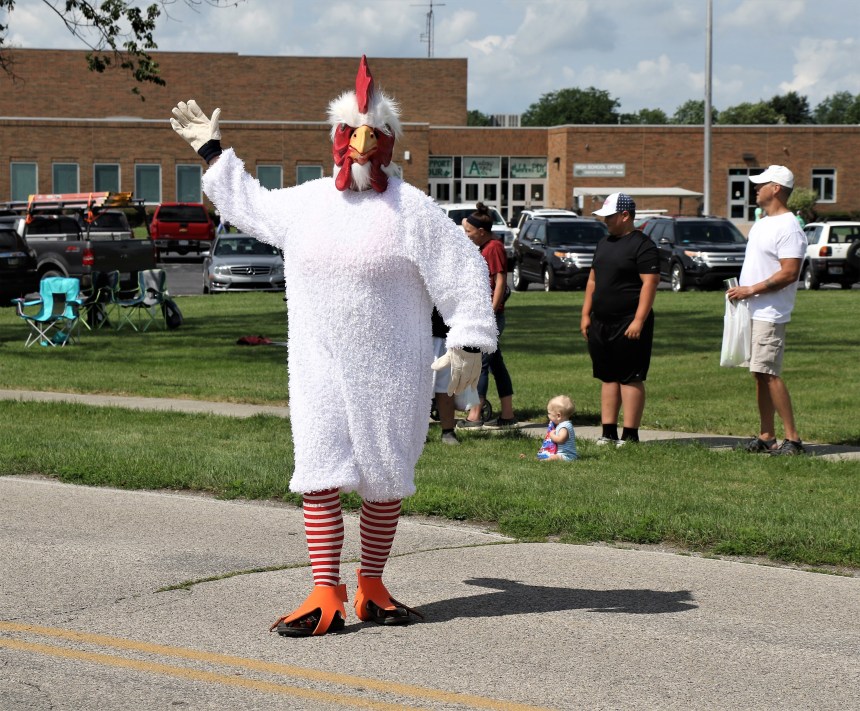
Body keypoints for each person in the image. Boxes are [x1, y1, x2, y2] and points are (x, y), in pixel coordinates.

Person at [170, 56, 497, 636]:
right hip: (319, 367)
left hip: (392, 368)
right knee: (319, 472)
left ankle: (371, 584)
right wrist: (213, 153)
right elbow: (248, 203)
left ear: (390, 142)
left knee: (385, 475)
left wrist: (469, 338)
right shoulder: (307, 204)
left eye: (373, 134)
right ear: (337, 139)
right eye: (351, 133)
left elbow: (461, 269)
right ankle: (325, 589)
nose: (362, 145)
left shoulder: (413, 212)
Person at [726, 165, 807, 456]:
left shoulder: (789, 226)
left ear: (776, 188)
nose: (755, 188)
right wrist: (741, 291)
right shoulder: (761, 223)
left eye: (761, 184)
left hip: (770, 312)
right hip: (752, 309)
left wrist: (750, 289)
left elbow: (789, 273)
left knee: (769, 372)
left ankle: (793, 439)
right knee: (759, 373)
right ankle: (766, 436)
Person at [581, 193, 660, 447]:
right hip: (601, 321)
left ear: (625, 215)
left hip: (629, 322)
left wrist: (638, 320)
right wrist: (586, 314)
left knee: (630, 376)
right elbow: (593, 279)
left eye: (610, 216)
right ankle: (608, 432)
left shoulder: (643, 245)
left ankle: (630, 435)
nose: (605, 221)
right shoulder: (604, 243)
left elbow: (650, 283)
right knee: (608, 376)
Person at [459, 203, 517, 429]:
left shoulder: (493, 247)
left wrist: (491, 312)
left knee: (480, 363)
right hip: (486, 315)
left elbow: (501, 280)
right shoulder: (485, 247)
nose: (467, 235)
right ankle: (508, 414)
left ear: (481, 232)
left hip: (490, 317)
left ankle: (475, 415)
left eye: (469, 232)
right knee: (496, 364)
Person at [537, 395, 578, 461]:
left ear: (558, 416)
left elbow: (561, 440)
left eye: (549, 413)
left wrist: (552, 435)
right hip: (563, 454)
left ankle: (545, 461)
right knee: (551, 455)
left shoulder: (564, 427)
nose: (548, 416)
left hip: (567, 455)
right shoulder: (563, 424)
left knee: (554, 457)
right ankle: (542, 458)